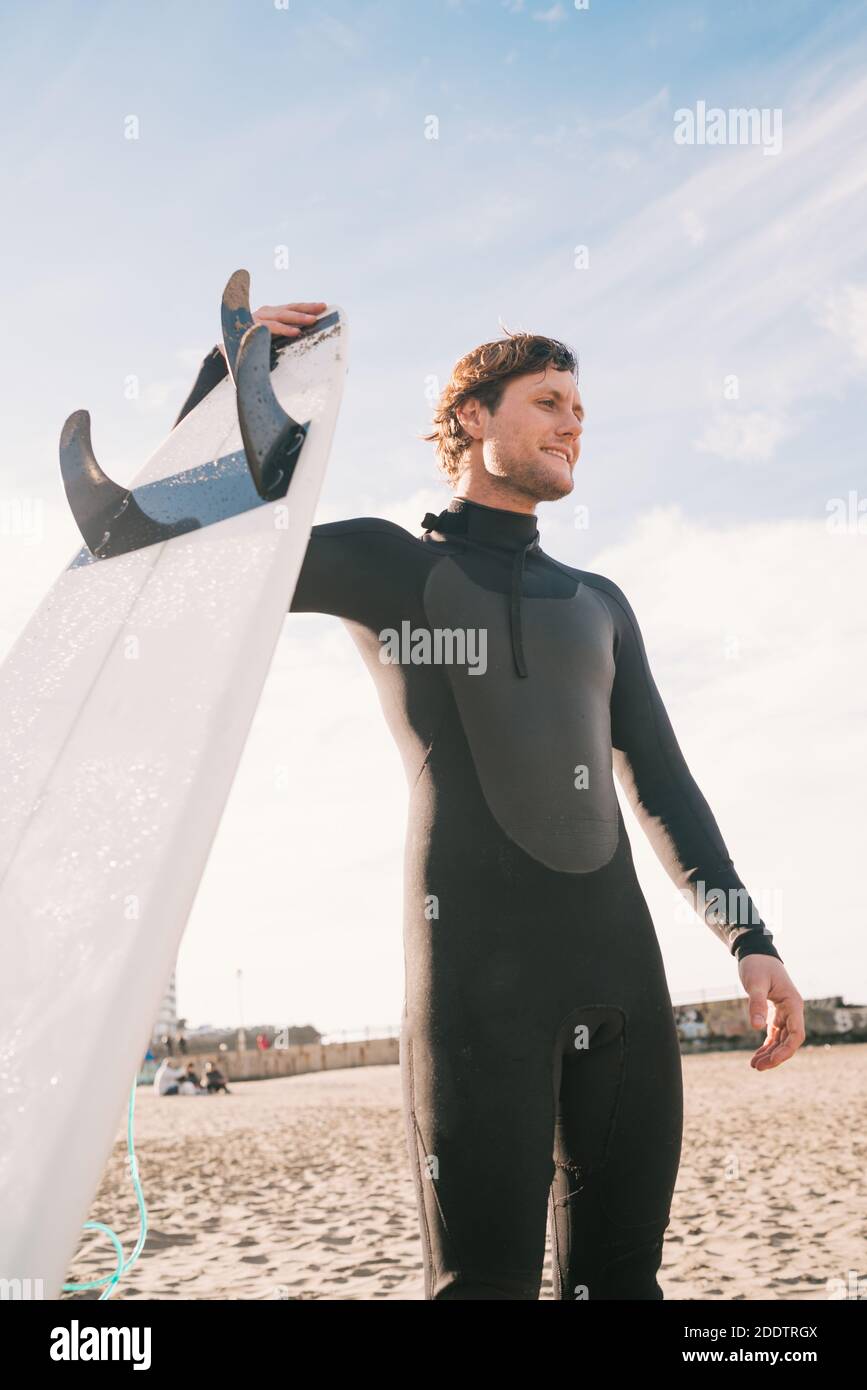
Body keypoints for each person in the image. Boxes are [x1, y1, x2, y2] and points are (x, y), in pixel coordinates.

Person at [177, 300, 805, 1301]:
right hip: (473, 989)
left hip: (621, 983)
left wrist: (750, 938)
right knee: (481, 1286)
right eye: (549, 401)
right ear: (472, 416)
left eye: (582, 411)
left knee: (622, 1283)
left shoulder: (599, 602)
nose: (573, 425)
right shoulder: (392, 566)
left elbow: (666, 784)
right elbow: (226, 547)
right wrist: (232, 378)